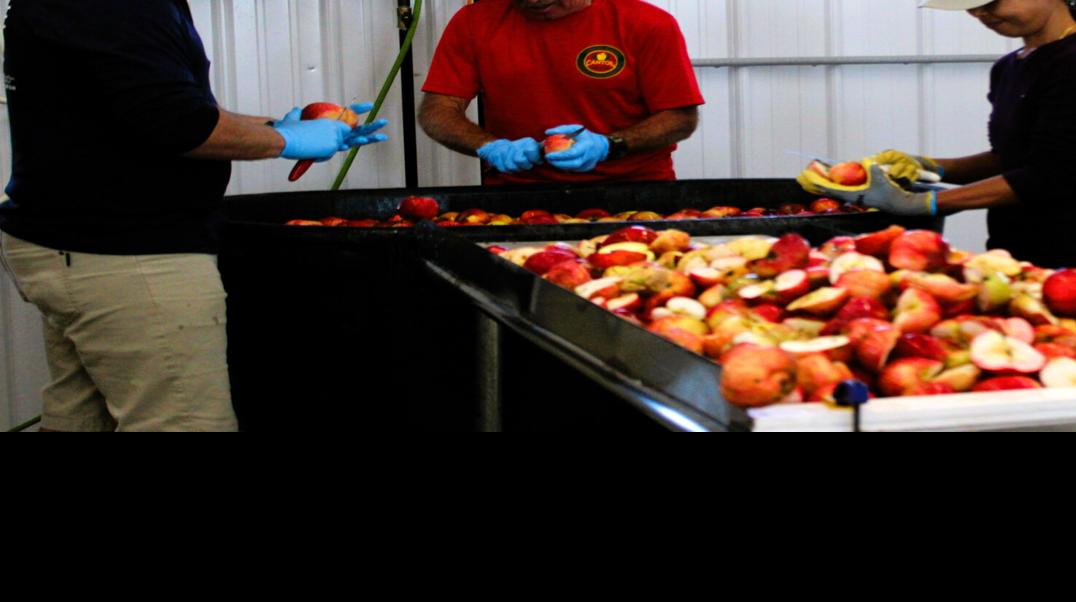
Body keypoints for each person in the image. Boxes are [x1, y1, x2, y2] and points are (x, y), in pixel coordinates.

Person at [0, 0, 390, 432]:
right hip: (126, 254)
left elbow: (151, 104)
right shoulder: (117, 8)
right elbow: (179, 123)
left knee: (82, 418)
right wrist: (284, 140)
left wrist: (275, 125)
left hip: (74, 245)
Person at [809, 0, 1076, 288]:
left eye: (992, 1)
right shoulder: (1012, 67)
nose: (981, 13)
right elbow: (1012, 159)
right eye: (972, 6)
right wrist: (931, 166)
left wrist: (927, 203)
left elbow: (1053, 174)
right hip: (1015, 257)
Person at [418, 0, 704, 185]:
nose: (534, 2)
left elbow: (680, 117)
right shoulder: (474, 22)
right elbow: (437, 110)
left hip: (634, 190)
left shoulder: (648, 23)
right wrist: (490, 146)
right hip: (518, 196)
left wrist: (611, 145)